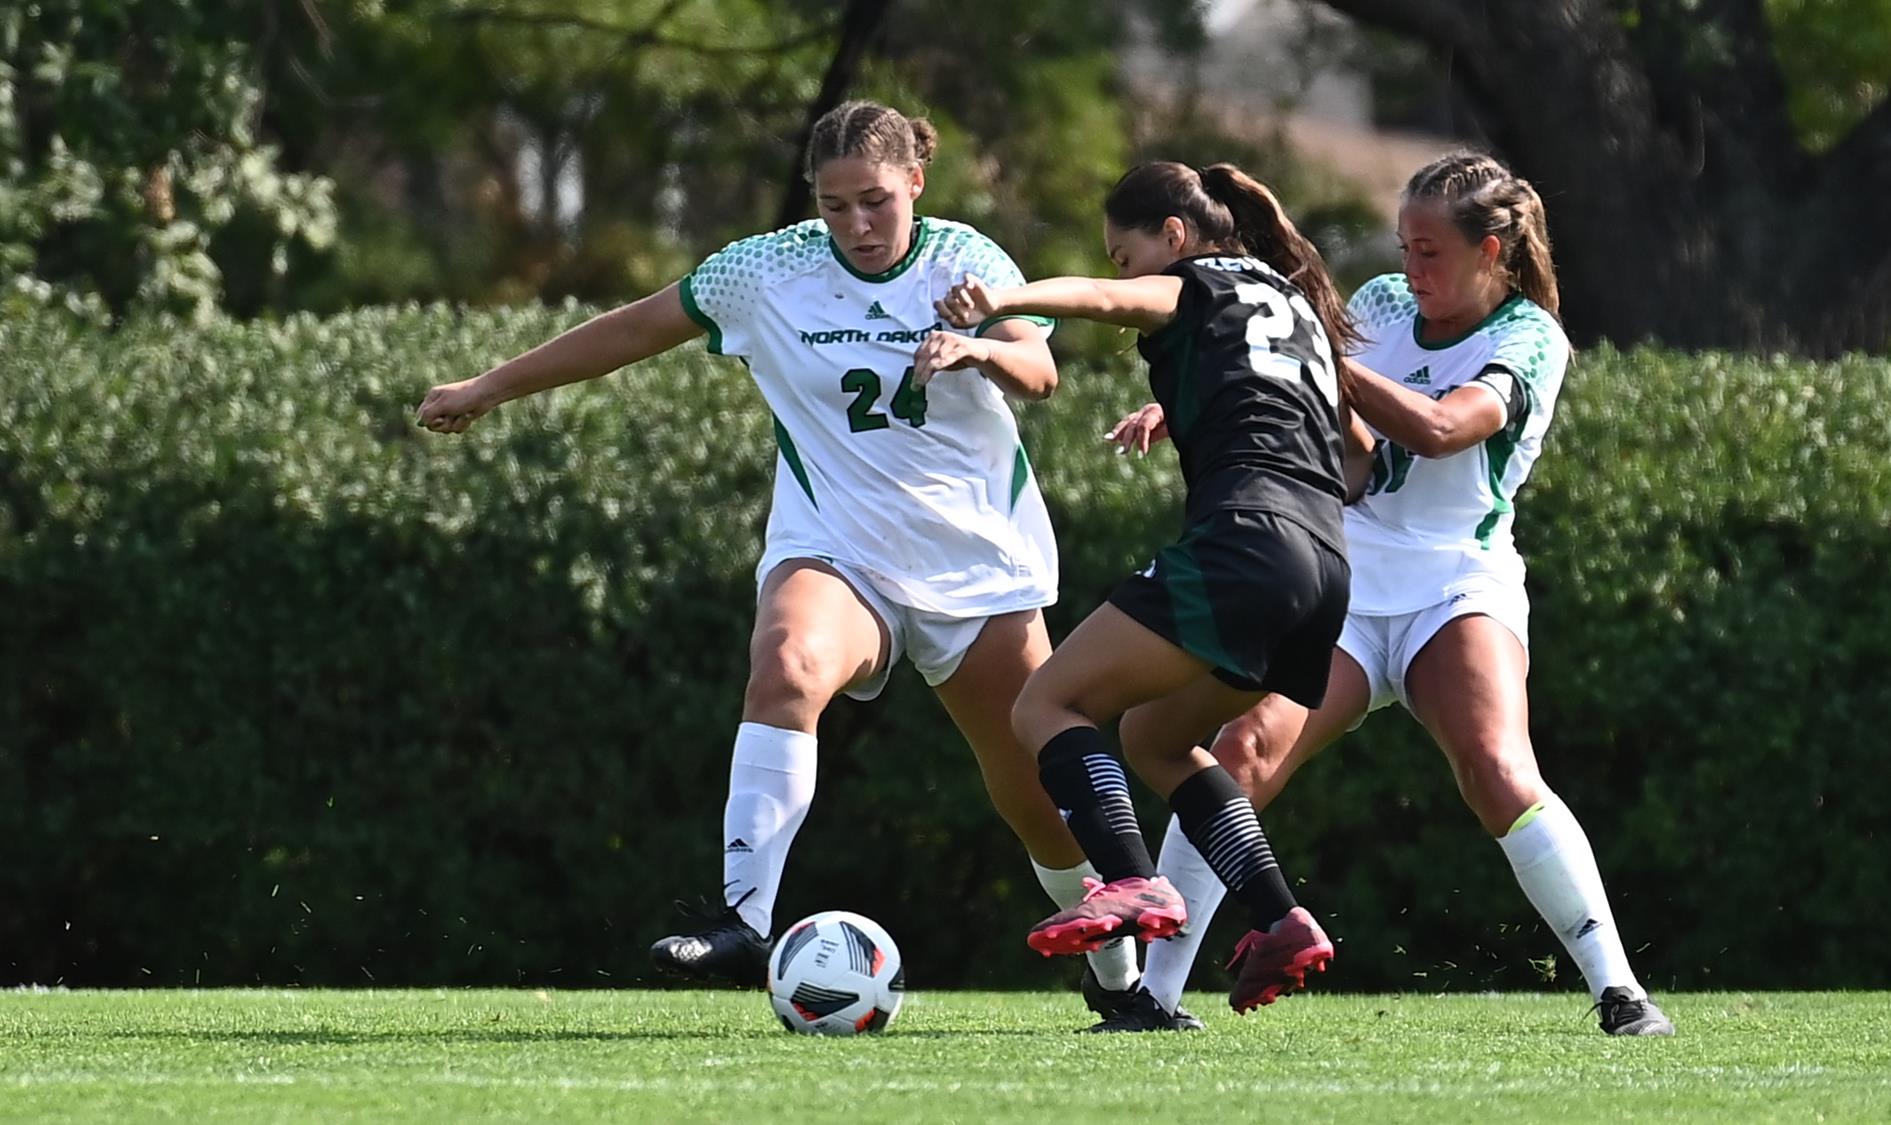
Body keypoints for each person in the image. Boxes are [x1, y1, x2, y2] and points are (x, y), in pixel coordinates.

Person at [416, 100, 1147, 1023]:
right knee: (789, 664)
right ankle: (740, 920)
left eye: (876, 201)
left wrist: (980, 347)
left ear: (915, 181)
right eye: (834, 205)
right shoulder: (768, 269)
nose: (857, 225)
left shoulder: (967, 259)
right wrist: (489, 386)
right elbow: (632, 330)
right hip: (837, 547)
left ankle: (1120, 983)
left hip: (975, 564)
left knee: (1036, 796)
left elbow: (1041, 372)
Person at [1104, 152, 1675, 1036]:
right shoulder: (1377, 306)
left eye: (1431, 252)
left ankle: (1619, 988)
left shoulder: (1529, 336)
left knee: (1496, 769)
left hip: (1455, 585)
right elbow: (1300, 399)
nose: (1411, 271)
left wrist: (1324, 356)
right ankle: (1156, 997)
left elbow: (1444, 429)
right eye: (1404, 248)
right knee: (1243, 747)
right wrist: (1183, 407)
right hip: (1347, 577)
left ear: (1494, 250)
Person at [932, 160, 1374, 1017]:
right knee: (1157, 738)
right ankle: (1280, 917)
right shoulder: (1297, 309)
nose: (1125, 272)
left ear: (1175, 236)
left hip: (1246, 541)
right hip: (1325, 566)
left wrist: (1003, 304)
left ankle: (1134, 883)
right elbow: (1354, 446)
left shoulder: (1196, 282)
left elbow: (1105, 302)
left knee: (1045, 704)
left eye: (1126, 254)